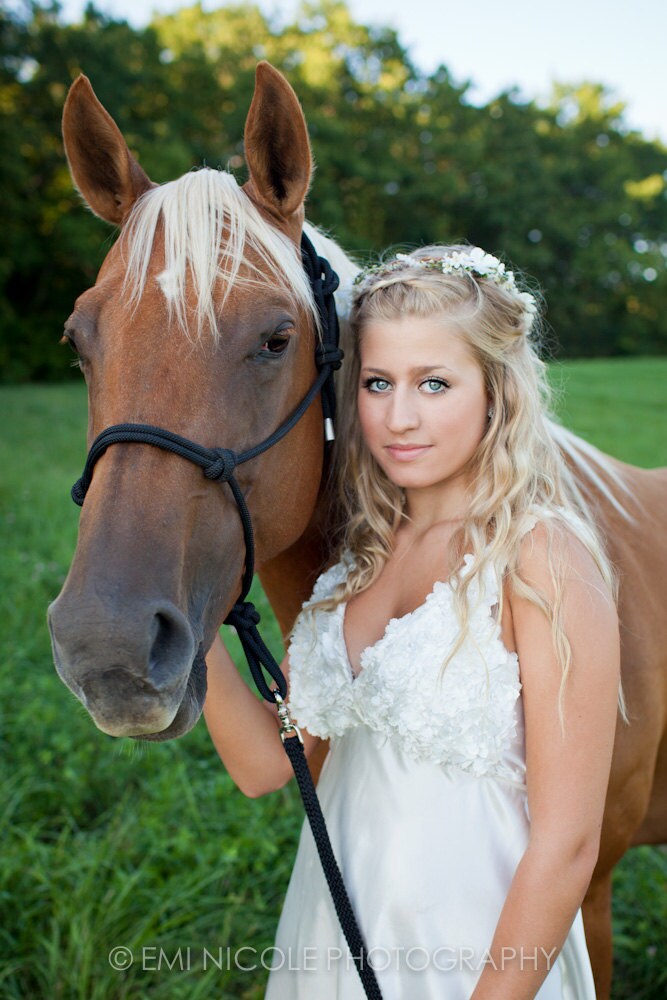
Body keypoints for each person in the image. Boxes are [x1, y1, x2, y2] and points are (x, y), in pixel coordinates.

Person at [204, 244, 622, 999]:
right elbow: (268, 767)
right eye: (376, 383)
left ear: (494, 391)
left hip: (476, 955)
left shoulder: (540, 558)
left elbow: (567, 846)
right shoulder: (353, 565)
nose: (399, 416)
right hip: (332, 936)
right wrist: (192, 621)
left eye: (434, 383)